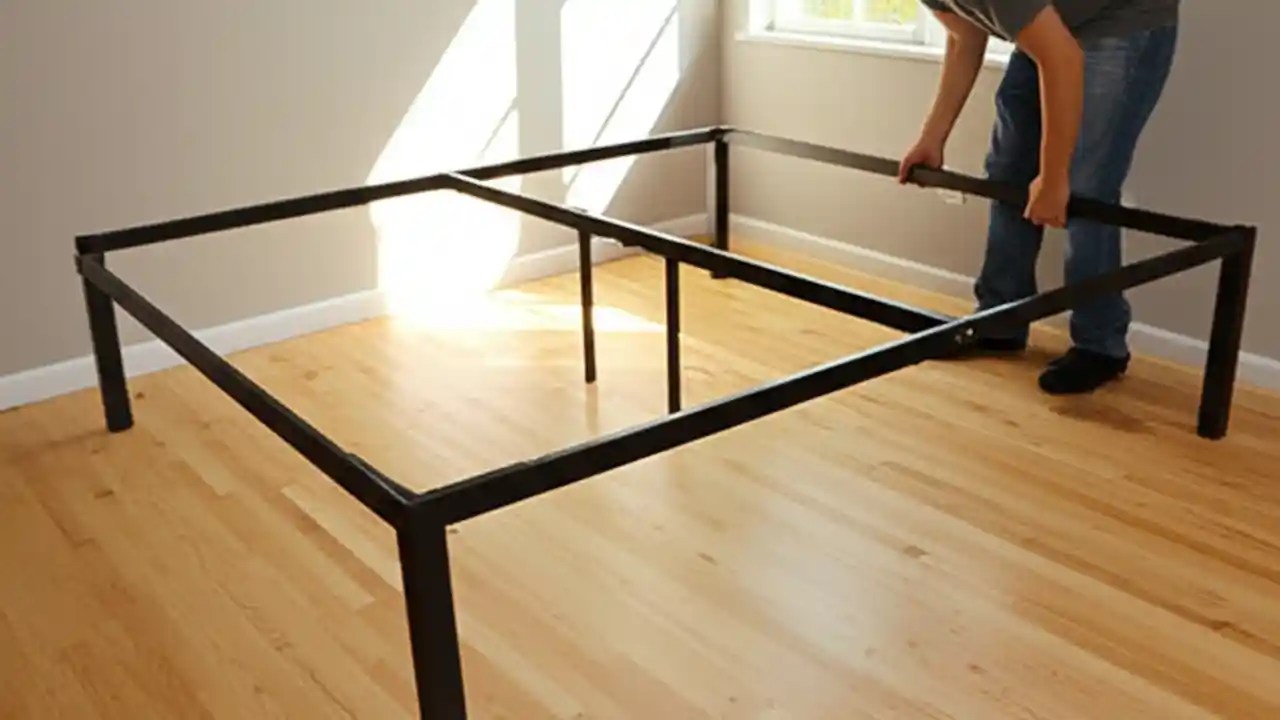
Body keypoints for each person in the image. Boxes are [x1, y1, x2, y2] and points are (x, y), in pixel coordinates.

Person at [898, 0, 1179, 394]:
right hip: (1051, 25)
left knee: (1085, 189)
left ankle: (1100, 345)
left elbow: (1061, 57)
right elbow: (966, 37)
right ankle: (1000, 319)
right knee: (1007, 172)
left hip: (1119, 21)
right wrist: (932, 137)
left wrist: (1052, 178)